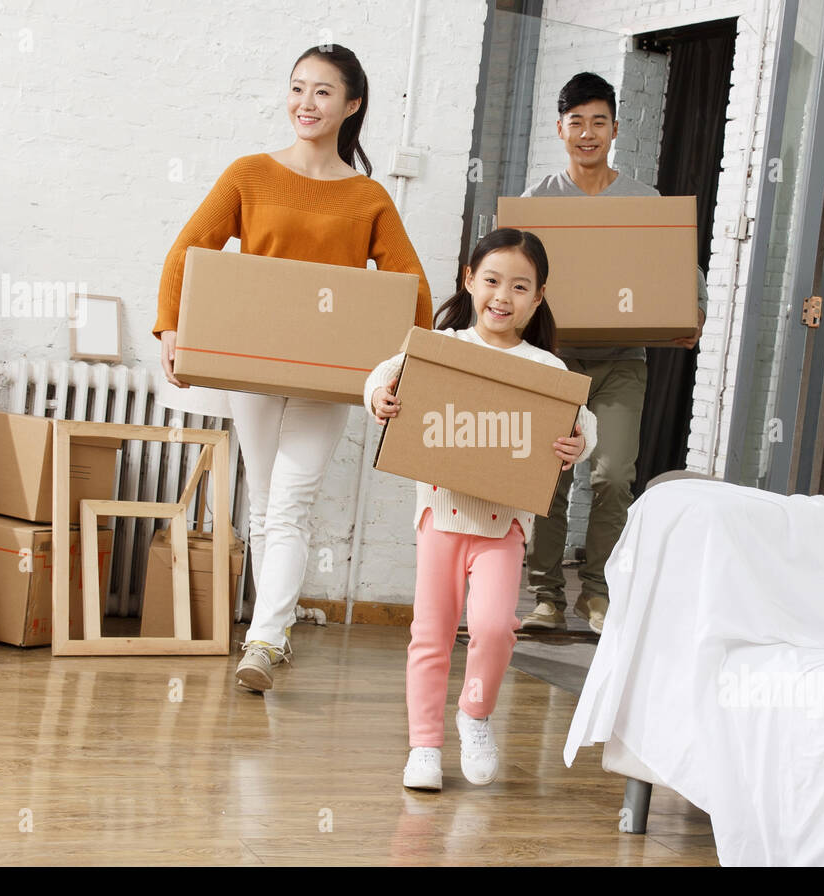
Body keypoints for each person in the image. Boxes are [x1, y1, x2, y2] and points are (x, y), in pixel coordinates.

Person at [154, 44, 433, 693]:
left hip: (327, 376)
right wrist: (172, 326)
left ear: (352, 104)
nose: (306, 104)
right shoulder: (250, 174)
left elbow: (411, 288)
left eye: (323, 92)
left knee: (292, 503)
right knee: (265, 507)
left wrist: (399, 365)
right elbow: (186, 250)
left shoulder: (368, 198)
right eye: (298, 89)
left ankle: (264, 640)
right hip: (254, 366)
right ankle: (268, 633)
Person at [365, 228, 597, 790]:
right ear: (470, 281)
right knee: (432, 633)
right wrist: (380, 396)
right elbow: (383, 376)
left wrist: (578, 442)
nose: (503, 295)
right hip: (441, 515)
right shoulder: (442, 347)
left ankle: (474, 715)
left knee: (494, 629)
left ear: (537, 298)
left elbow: (580, 419)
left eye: (521, 287)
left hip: (503, 523)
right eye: (492, 280)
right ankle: (424, 747)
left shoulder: (546, 366)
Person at [520, 72, 708, 635]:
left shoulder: (643, 201)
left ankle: (595, 594)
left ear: (615, 129)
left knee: (613, 475)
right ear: (560, 129)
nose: (587, 132)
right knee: (548, 477)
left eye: (598, 121)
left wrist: (691, 311)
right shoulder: (539, 201)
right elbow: (510, 273)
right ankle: (546, 596)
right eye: (576, 122)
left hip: (622, 361)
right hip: (556, 358)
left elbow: (682, 271)